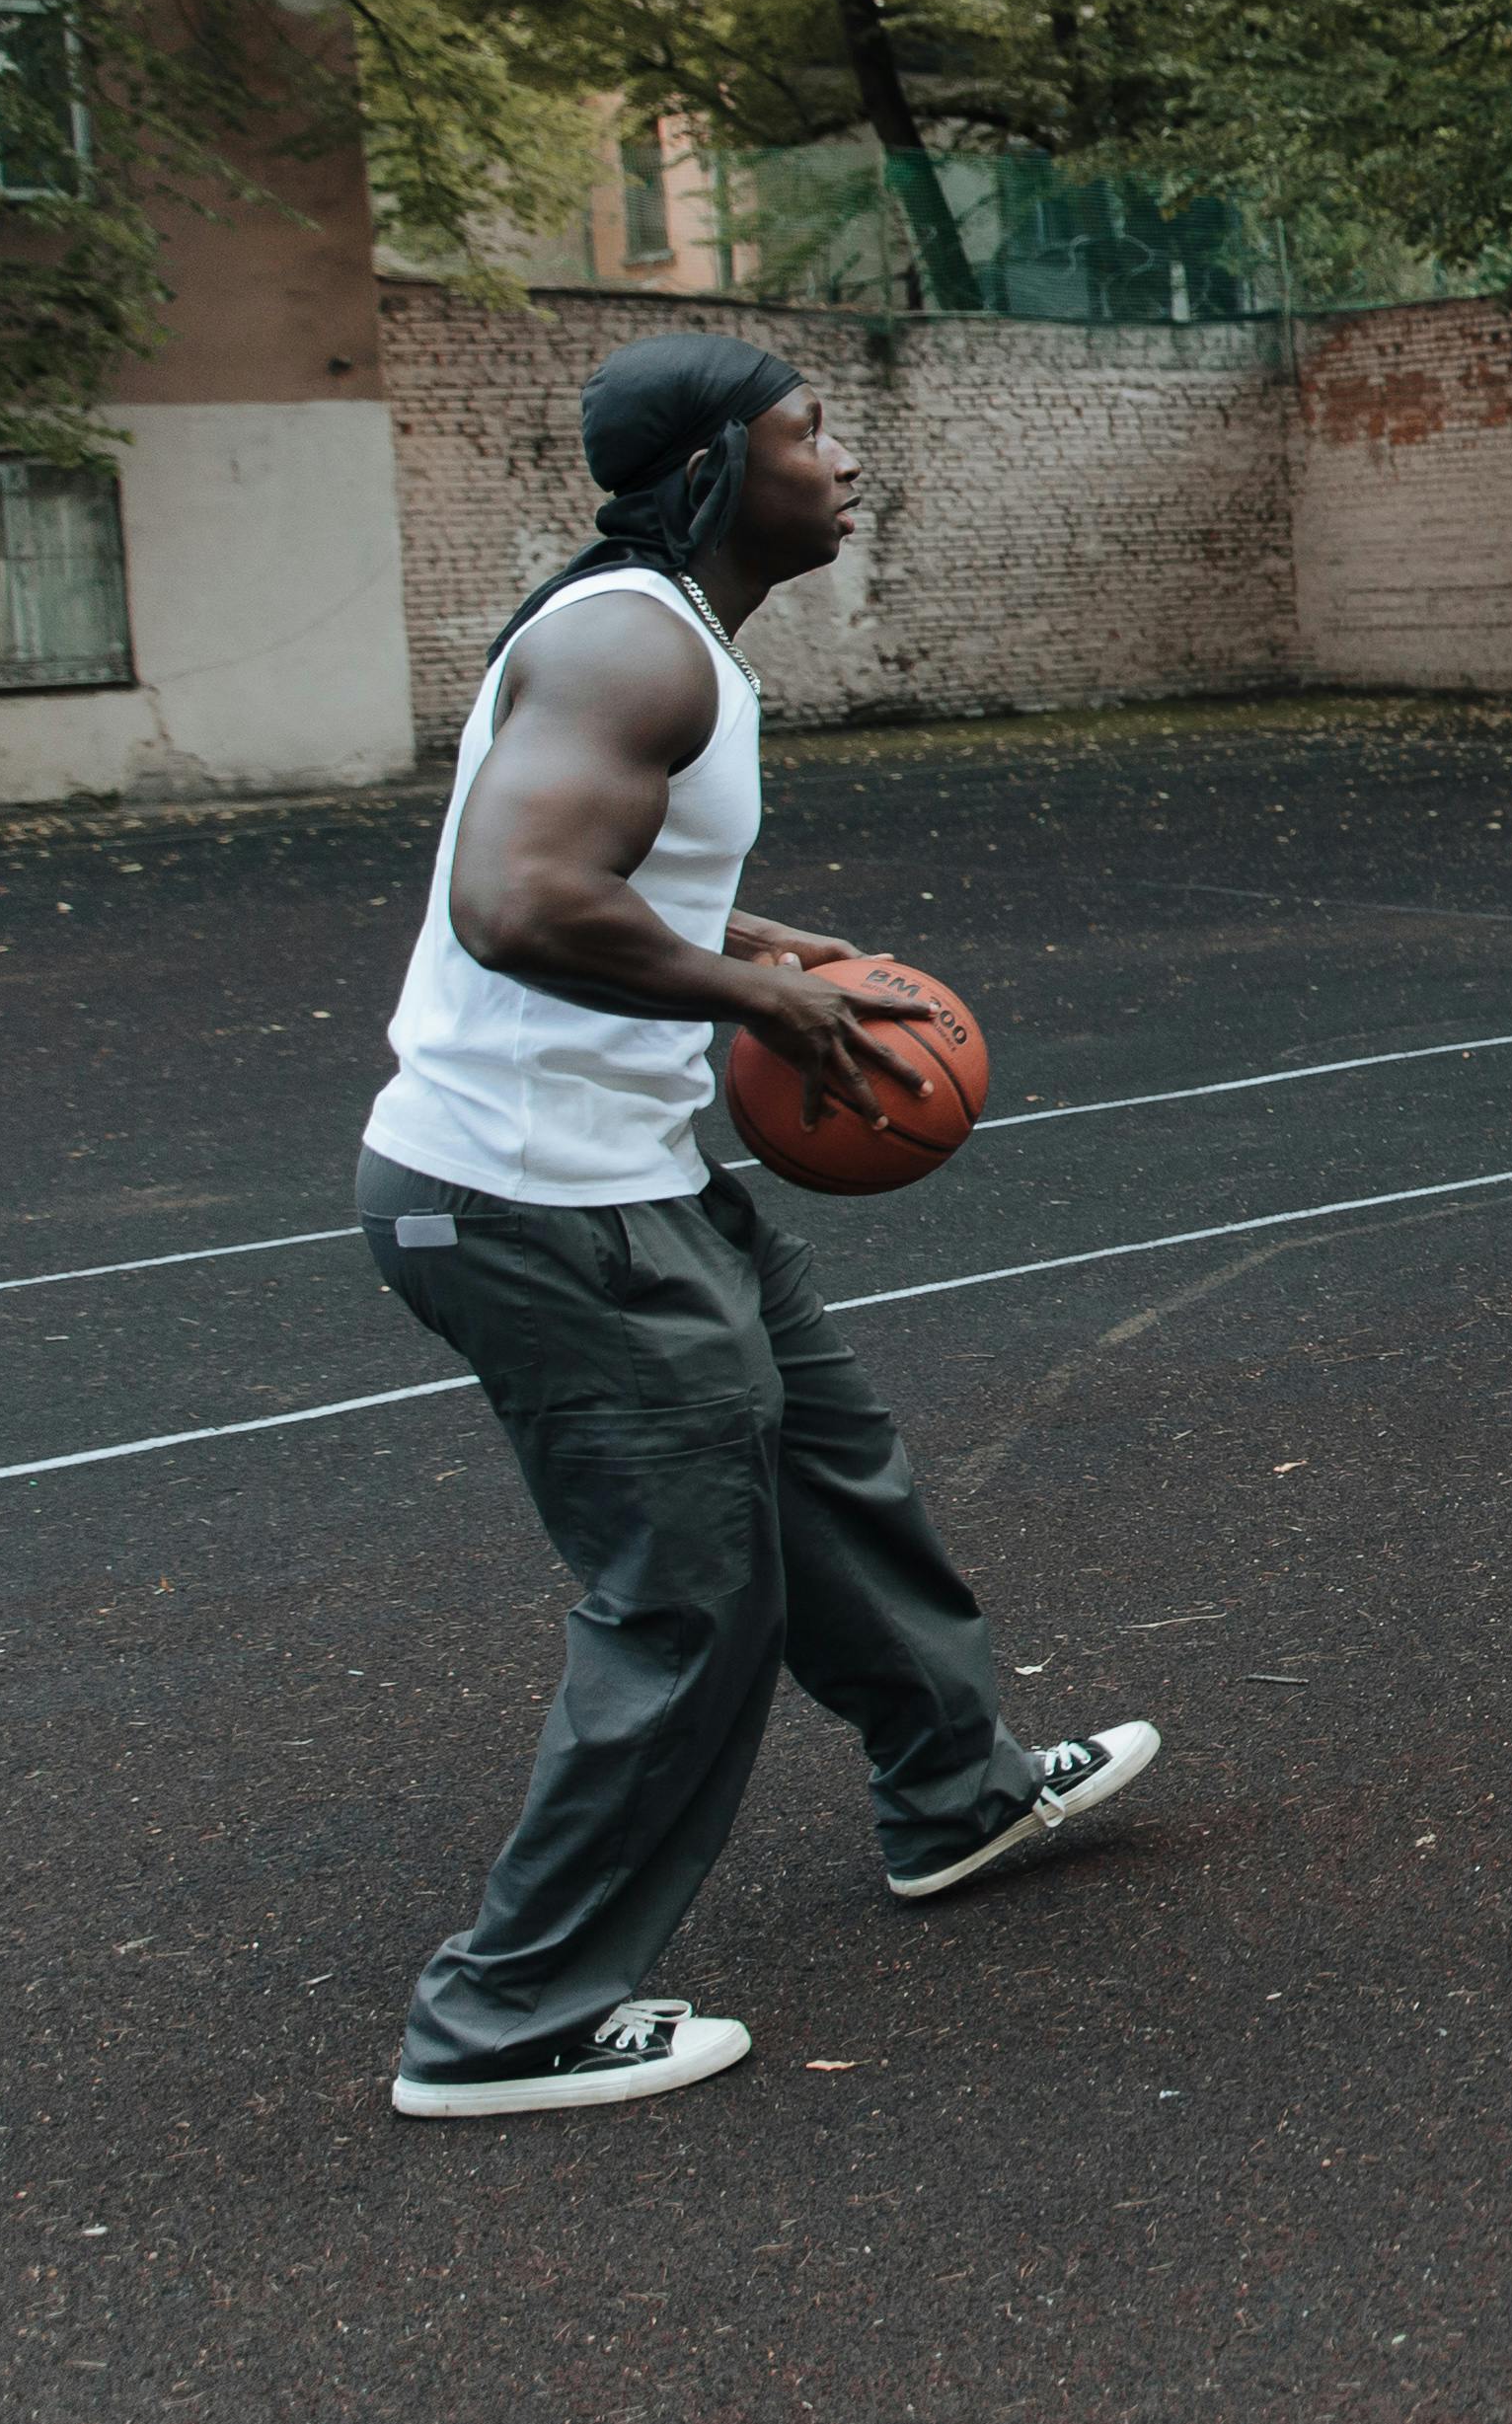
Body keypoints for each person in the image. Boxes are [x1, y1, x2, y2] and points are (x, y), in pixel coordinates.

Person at [358, 334, 1158, 2119]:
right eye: (807, 429)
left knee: (826, 1466)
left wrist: (750, 937)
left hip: (628, 1177)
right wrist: (760, 999)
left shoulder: (667, 639)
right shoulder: (631, 642)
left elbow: (609, 864)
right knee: (689, 1599)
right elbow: (515, 897)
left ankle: (956, 1788)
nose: (842, 457)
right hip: (532, 1201)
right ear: (717, 466)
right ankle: (509, 2020)